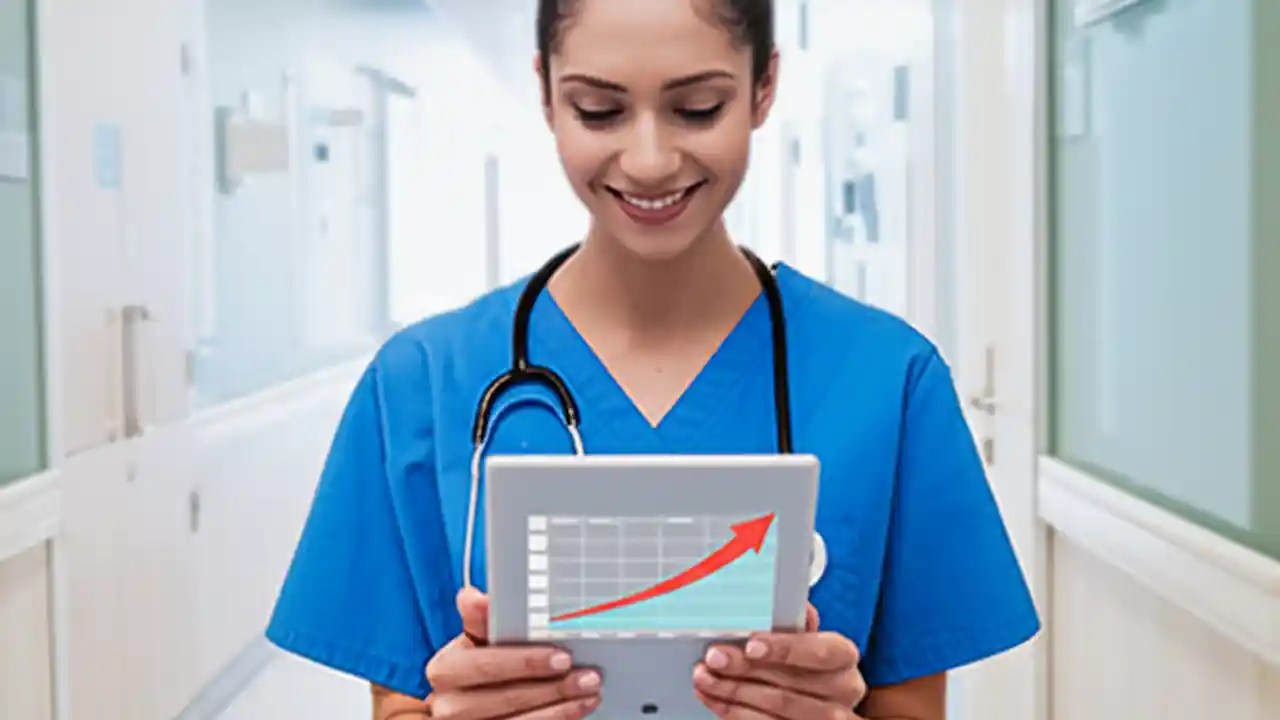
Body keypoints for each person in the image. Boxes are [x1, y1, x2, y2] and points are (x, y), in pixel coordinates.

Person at [265, 0, 1041, 717]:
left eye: (697, 108)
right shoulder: (421, 383)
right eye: (598, 110)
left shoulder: (888, 381)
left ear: (764, 87)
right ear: (546, 95)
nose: (648, 160)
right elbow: (398, 706)